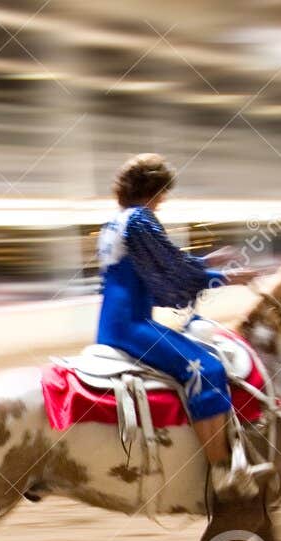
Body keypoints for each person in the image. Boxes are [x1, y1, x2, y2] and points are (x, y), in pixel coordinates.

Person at [96, 153, 268, 496]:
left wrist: (206, 262)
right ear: (154, 190)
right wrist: (227, 277)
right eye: (163, 192)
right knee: (207, 368)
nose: (164, 200)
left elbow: (161, 265)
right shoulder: (142, 220)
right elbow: (173, 272)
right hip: (132, 327)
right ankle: (222, 471)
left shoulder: (114, 223)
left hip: (113, 324)